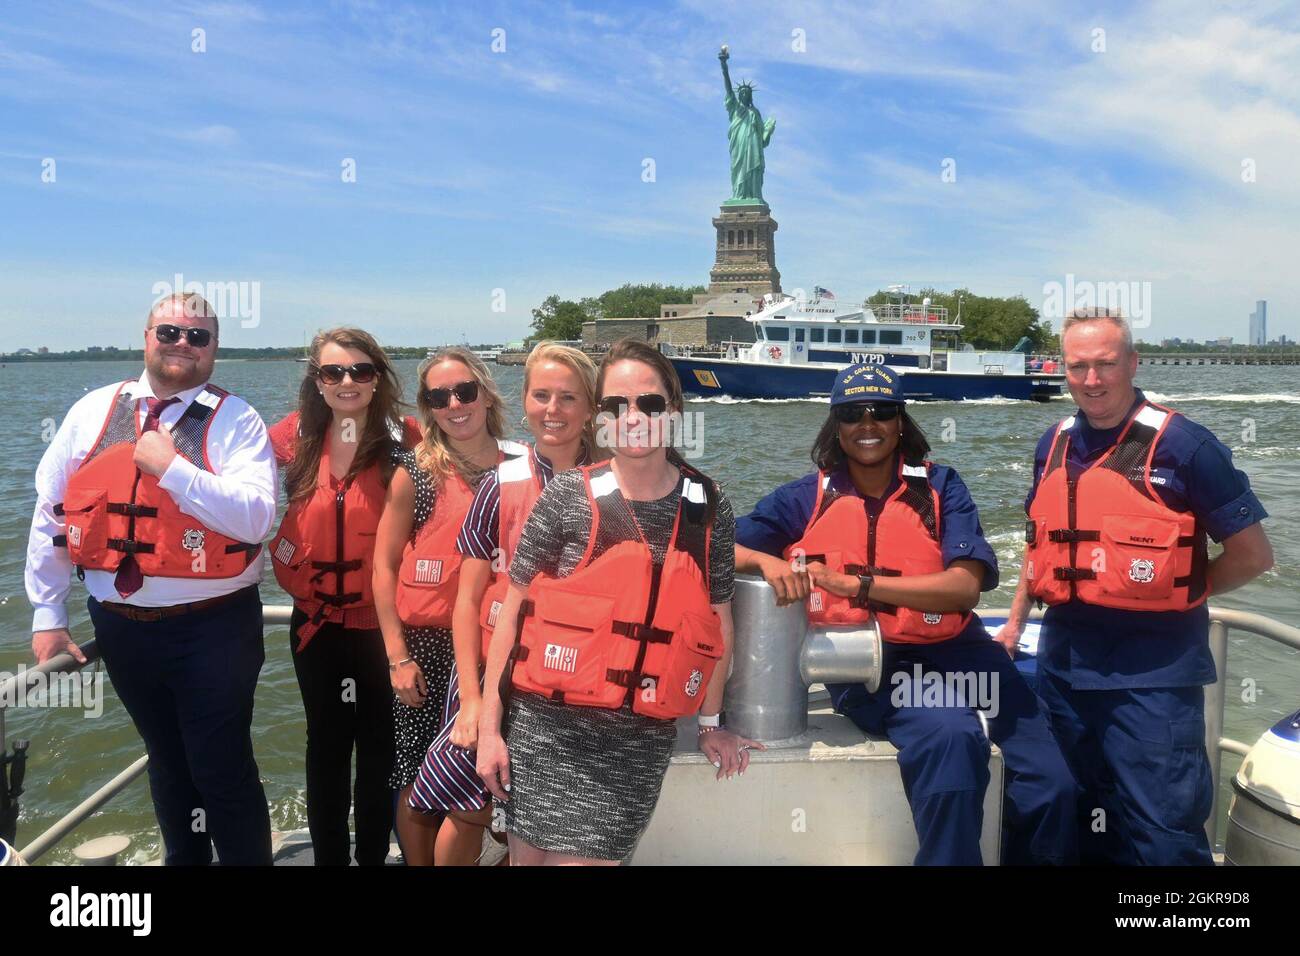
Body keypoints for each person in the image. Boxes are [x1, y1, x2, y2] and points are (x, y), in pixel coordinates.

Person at [735, 363, 1076, 866]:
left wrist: (858, 585)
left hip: (965, 655)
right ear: (835, 424)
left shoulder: (943, 489)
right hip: (871, 666)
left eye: (882, 411)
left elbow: (964, 589)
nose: (867, 424)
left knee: (1055, 783)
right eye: (853, 413)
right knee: (951, 741)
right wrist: (765, 560)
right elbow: (709, 547)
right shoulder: (803, 498)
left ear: (901, 422)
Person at [998, 308, 1273, 865]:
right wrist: (1014, 620)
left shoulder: (1187, 447)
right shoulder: (1050, 443)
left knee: (1162, 829)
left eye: (1106, 364)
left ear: (1133, 363)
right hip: (1062, 667)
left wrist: (1176, 592)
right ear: (1063, 369)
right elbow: (1041, 545)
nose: (1092, 380)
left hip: (1153, 678)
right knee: (1072, 812)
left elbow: (1252, 556)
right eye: (1078, 366)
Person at [475, 338, 759, 866]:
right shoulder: (565, 496)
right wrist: (491, 730)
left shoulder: (707, 505)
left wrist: (712, 724)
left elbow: (719, 621)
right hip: (542, 731)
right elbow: (512, 612)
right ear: (600, 415)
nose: (633, 417)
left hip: (632, 745)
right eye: (616, 404)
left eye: (649, 403)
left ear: (673, 411)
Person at [26, 292, 277, 865]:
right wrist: (48, 615)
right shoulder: (92, 410)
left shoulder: (236, 419)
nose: (182, 345)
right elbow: (50, 514)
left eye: (198, 336)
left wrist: (172, 468)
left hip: (216, 629)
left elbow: (257, 517)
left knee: (221, 765)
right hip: (121, 629)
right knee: (165, 762)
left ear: (215, 347)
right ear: (146, 338)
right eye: (170, 333)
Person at [408, 342, 598, 865]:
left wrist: (762, 562)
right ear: (524, 400)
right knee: (468, 805)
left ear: (590, 408)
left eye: (568, 397)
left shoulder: (620, 480)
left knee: (551, 814)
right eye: (541, 396)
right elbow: (466, 603)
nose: (553, 409)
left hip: (577, 678)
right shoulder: (499, 484)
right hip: (496, 673)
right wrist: (471, 701)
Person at [265, 327, 415, 866]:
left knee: (379, 755)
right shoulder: (288, 440)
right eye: (334, 372)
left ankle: (372, 858)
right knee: (325, 750)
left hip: (384, 630)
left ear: (378, 379)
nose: (347, 381)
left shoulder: (411, 442)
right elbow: (230, 485)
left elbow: (477, 473)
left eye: (361, 371)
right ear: (318, 381)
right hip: (316, 627)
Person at [372, 347, 524, 865]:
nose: (455, 404)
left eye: (465, 391)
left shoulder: (522, 467)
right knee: (417, 777)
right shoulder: (413, 474)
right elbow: (384, 569)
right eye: (439, 397)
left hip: (495, 649)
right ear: (428, 407)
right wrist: (397, 657)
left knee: (483, 781)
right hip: (427, 650)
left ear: (486, 393)